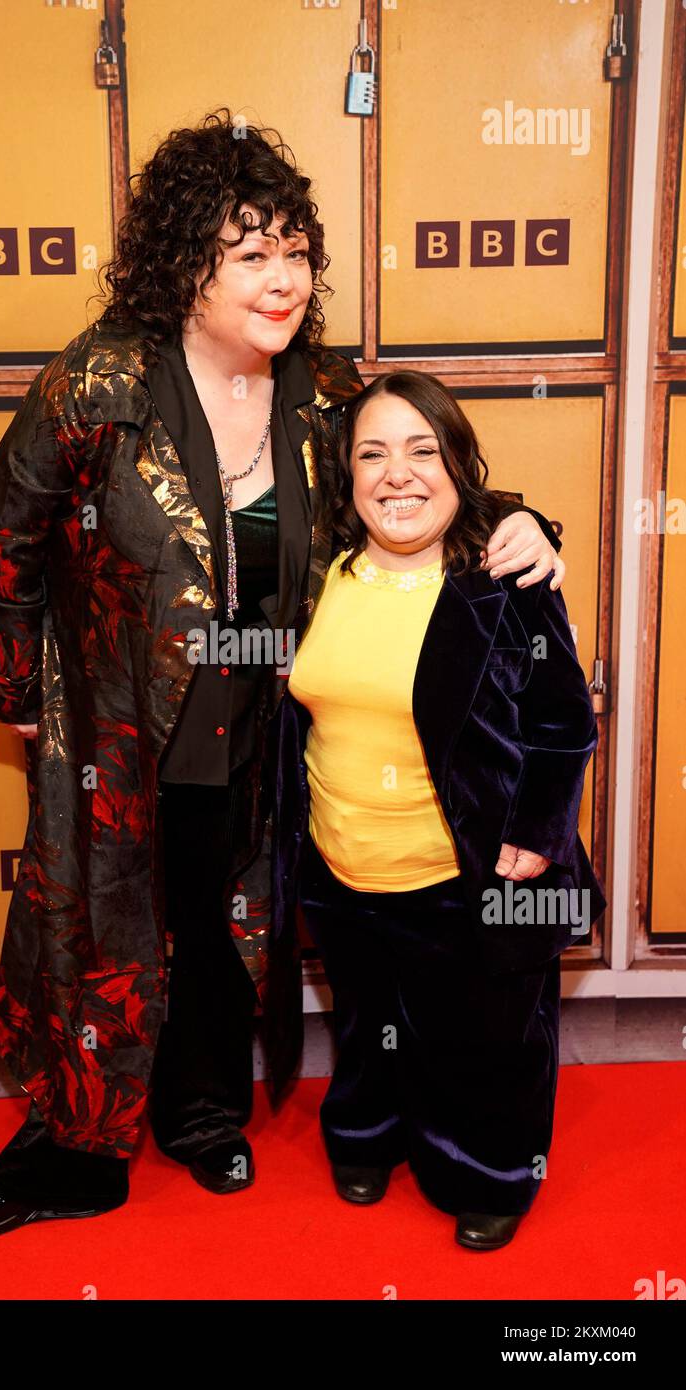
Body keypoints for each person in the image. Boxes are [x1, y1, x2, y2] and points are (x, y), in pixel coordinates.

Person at [0, 111, 563, 1238]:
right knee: (111, 934)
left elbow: (419, 477)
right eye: (249, 255)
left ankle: (203, 1116)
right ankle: (75, 1147)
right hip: (124, 730)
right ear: (188, 263)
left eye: (293, 252)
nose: (282, 280)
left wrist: (528, 526)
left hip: (270, 732)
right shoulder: (101, 378)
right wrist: (18, 698)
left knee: (230, 933)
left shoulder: (324, 388)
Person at [270, 369, 604, 1252]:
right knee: (364, 1020)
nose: (397, 473)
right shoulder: (317, 575)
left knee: (487, 1041)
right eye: (371, 453)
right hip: (339, 867)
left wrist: (534, 837)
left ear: (458, 469)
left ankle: (488, 1169)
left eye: (423, 451)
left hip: (469, 873)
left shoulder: (504, 578)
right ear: (344, 476)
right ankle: (369, 1138)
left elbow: (563, 722)